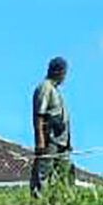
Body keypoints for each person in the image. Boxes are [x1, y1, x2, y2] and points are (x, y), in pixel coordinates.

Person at [31, 56, 72, 197]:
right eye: (64, 73)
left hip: (62, 141)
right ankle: (38, 200)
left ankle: (57, 202)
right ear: (58, 72)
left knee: (63, 172)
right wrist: (40, 141)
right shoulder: (45, 88)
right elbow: (39, 115)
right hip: (50, 139)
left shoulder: (56, 90)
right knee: (44, 171)